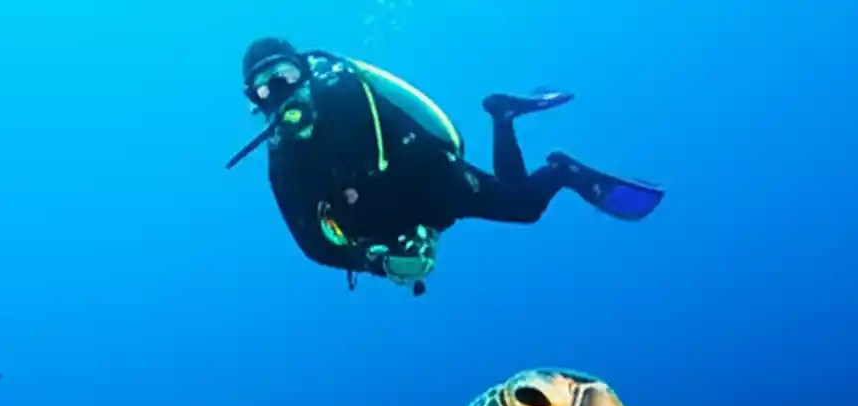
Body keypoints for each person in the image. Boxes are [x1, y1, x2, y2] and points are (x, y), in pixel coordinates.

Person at [230, 37, 665, 296]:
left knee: (524, 206)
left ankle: (557, 165)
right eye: (264, 90)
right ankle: (504, 115)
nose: (278, 93)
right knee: (516, 201)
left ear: (304, 72)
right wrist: (375, 262)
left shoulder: (343, 93)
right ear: (255, 102)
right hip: (385, 225)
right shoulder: (282, 161)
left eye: (284, 77)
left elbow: (419, 131)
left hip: (431, 181)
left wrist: (432, 197)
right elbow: (312, 244)